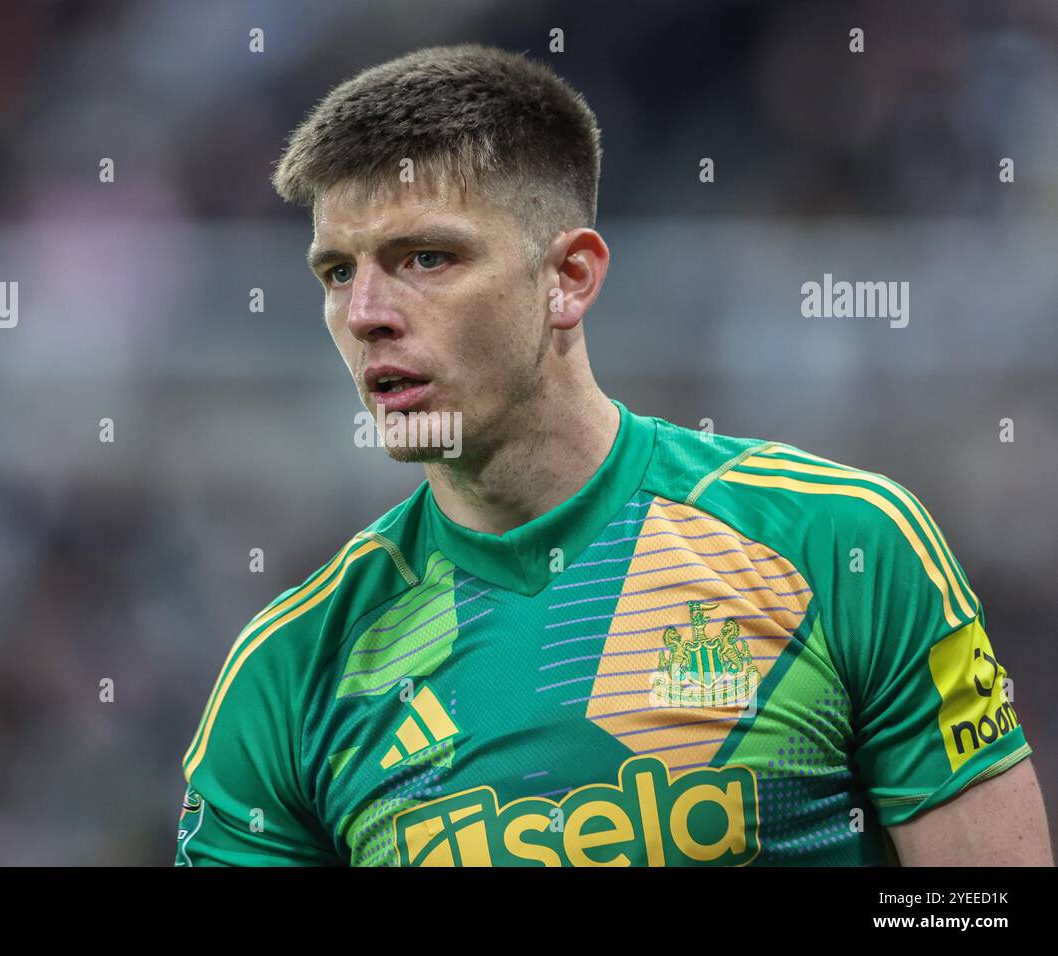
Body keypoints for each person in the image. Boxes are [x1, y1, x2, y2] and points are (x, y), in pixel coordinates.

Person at [177, 43, 1049, 866]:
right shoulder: (290, 670)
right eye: (337, 272)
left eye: (426, 257)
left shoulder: (842, 546)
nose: (366, 311)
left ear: (571, 278)